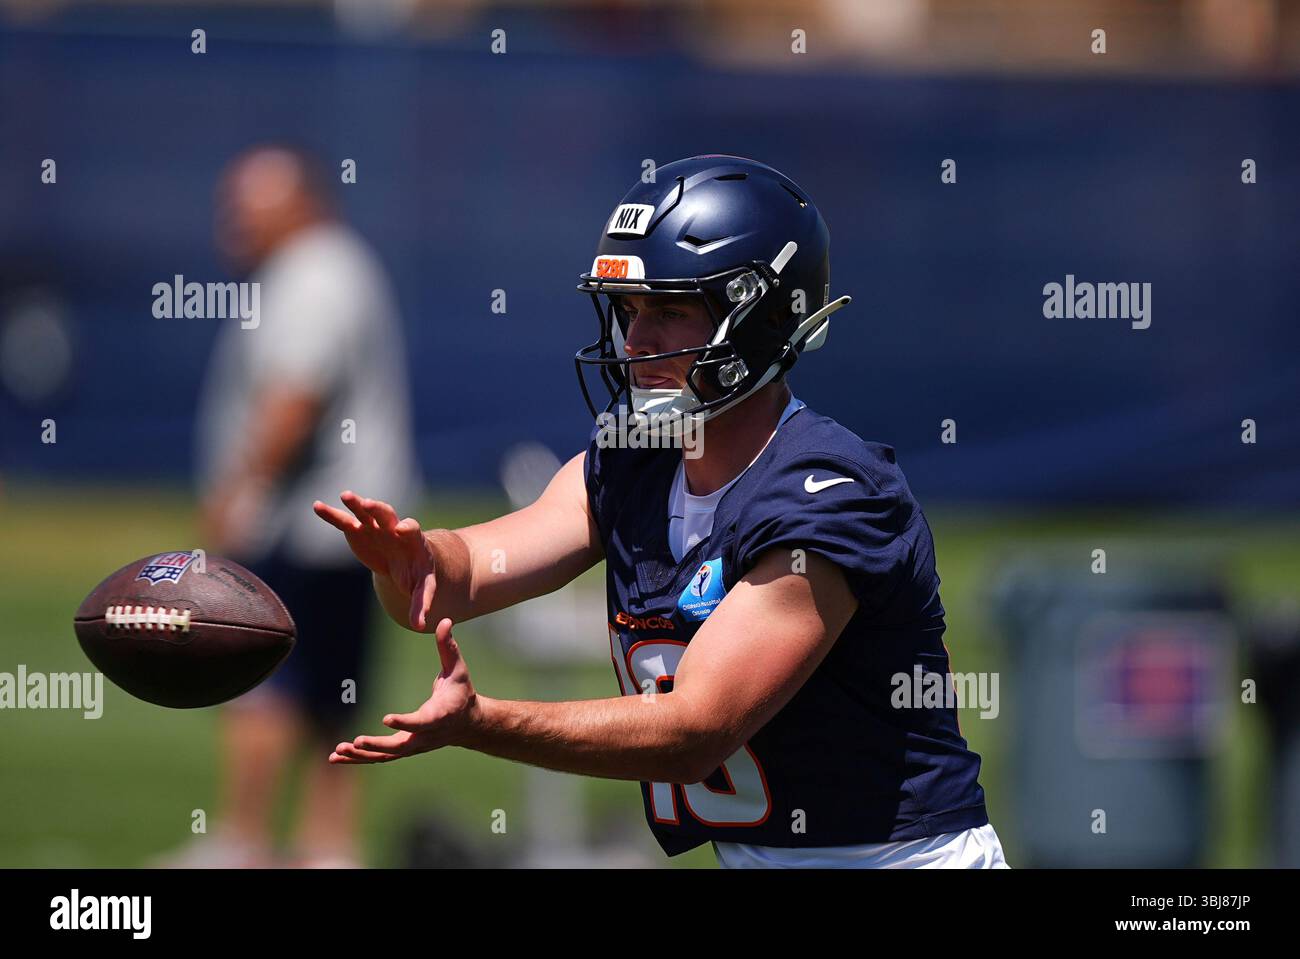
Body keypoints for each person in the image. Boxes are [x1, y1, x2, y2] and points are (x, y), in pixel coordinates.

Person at [314, 155, 1006, 868]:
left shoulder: (829, 495)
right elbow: (458, 579)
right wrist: (413, 562)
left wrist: (483, 722)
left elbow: (694, 729)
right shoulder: (634, 461)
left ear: (764, 315)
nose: (637, 340)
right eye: (630, 309)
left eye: (671, 309)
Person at [181, 145, 418, 868]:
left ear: (299, 203)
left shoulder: (313, 274)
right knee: (329, 692)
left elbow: (296, 398)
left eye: (247, 207)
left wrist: (236, 494)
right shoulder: (326, 268)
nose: (233, 223)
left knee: (261, 682)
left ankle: (246, 840)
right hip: (340, 526)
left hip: (308, 525)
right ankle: (324, 845)